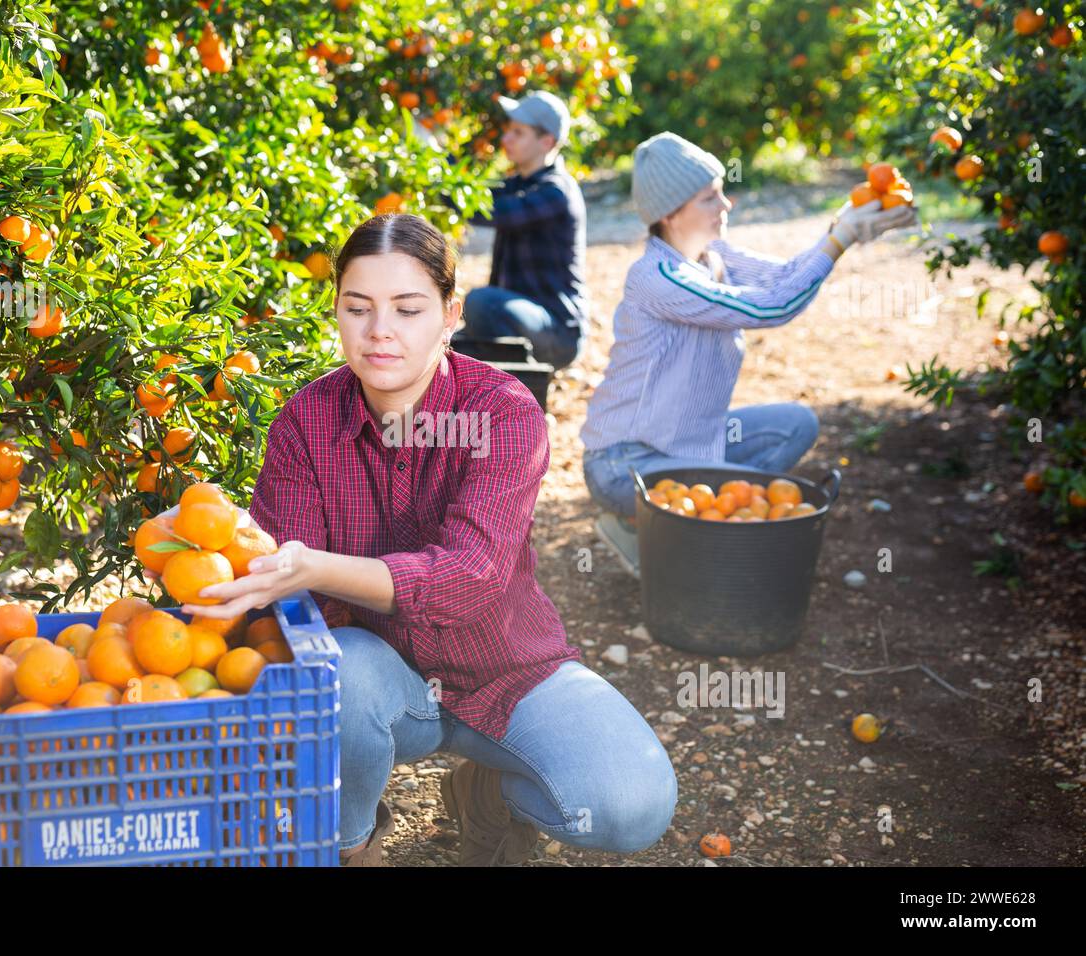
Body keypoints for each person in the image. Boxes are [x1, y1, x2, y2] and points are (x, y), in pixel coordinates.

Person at [176, 214, 676, 867]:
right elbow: (295, 605)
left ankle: (490, 794)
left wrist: (313, 566)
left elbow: (472, 575)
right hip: (383, 681)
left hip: (506, 668)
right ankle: (353, 841)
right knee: (338, 671)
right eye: (358, 308)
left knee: (629, 805)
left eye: (407, 309)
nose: (379, 331)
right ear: (337, 313)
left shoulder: (500, 411)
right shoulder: (306, 423)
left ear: (450, 314)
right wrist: (217, 560)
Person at [580, 132, 917, 577]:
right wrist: (841, 241)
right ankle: (650, 530)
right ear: (670, 213)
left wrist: (842, 228)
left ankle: (663, 526)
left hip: (684, 445)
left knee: (794, 426)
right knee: (727, 492)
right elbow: (772, 307)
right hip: (623, 464)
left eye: (721, 191)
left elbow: (783, 278)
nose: (726, 205)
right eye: (709, 197)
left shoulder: (713, 256)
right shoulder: (657, 277)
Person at [452, 90, 589, 369]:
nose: (506, 139)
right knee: (450, 347)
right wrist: (437, 158)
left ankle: (517, 395)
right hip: (520, 318)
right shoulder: (519, 184)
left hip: (556, 330)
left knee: (481, 302)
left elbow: (488, 210)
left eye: (518, 132)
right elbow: (472, 195)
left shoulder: (556, 191)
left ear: (546, 141)